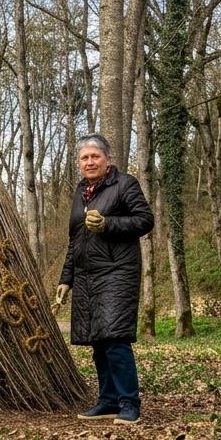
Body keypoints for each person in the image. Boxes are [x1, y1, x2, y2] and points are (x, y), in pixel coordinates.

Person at [53, 134, 154, 424]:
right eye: (84, 158)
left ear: (107, 159)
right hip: (87, 276)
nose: (89, 162)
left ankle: (129, 402)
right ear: (79, 164)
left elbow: (145, 220)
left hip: (117, 272)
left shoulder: (125, 185)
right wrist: (65, 280)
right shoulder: (81, 191)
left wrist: (108, 224)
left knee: (114, 338)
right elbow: (75, 240)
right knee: (98, 341)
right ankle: (108, 400)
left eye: (95, 156)